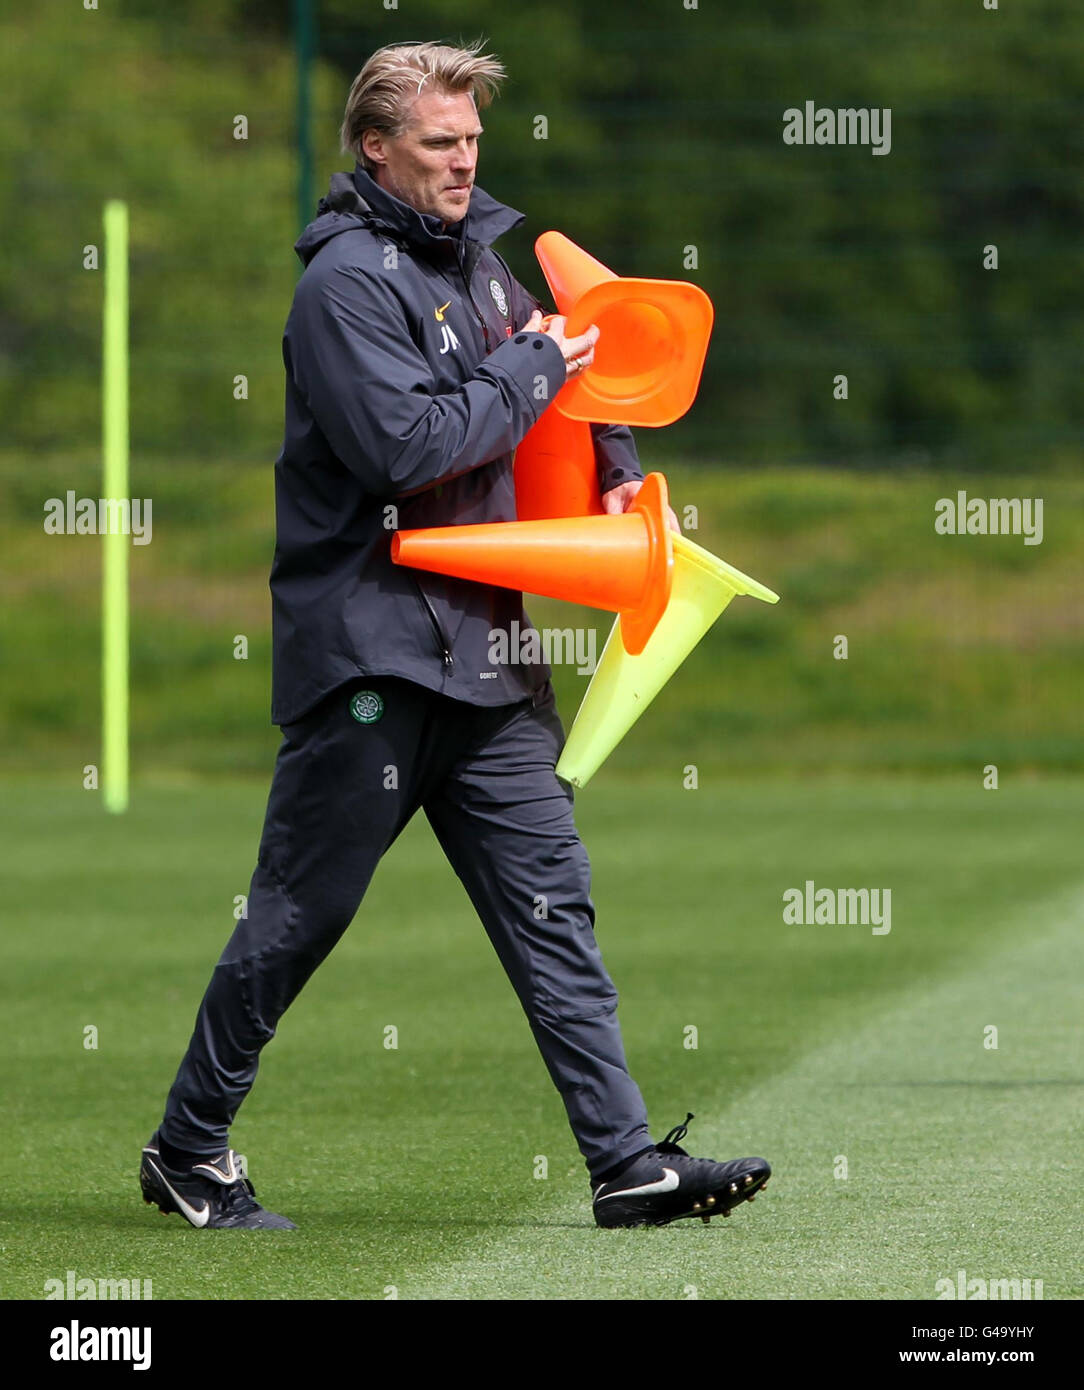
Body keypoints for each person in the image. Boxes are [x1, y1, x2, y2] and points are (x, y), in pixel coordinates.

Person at [139, 40, 770, 1231]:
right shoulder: (341, 288)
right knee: (298, 917)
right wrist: (534, 362)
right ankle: (188, 1147)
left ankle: (625, 1164)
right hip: (369, 659)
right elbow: (408, 451)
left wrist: (623, 480)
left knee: (554, 908)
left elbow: (573, 395)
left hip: (488, 660)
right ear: (374, 149)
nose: (463, 160)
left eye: (472, 139)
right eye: (439, 141)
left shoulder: (485, 270)